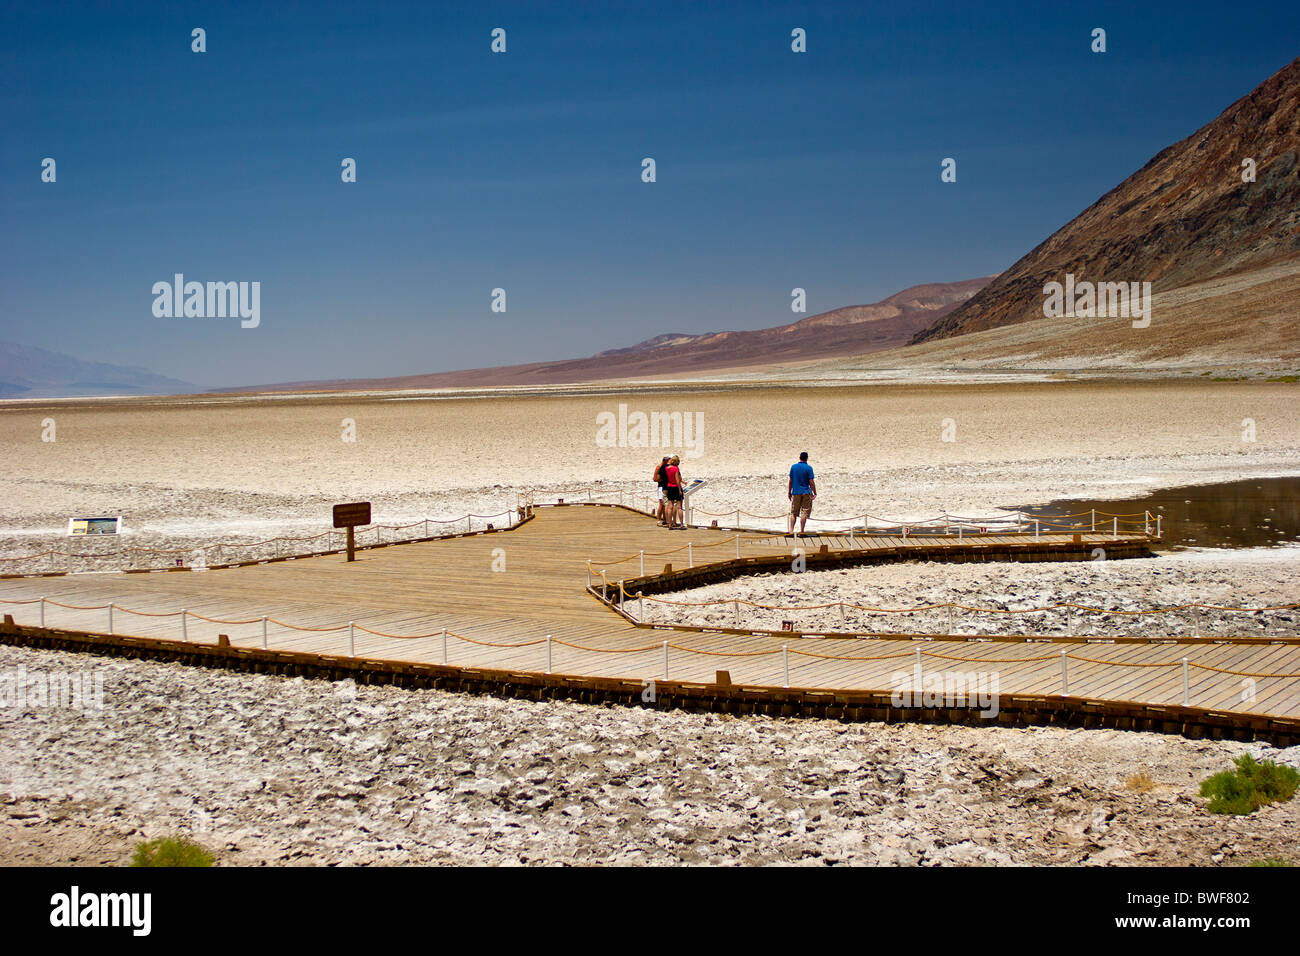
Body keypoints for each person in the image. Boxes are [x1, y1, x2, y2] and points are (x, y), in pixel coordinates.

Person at [787, 451, 816, 536]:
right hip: (806, 492)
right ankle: (802, 531)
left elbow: (791, 481)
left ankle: (791, 530)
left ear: (799, 457)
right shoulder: (809, 468)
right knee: (804, 512)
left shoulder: (794, 467)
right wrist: (815, 492)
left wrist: (789, 492)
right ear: (807, 458)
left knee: (793, 512)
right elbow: (811, 482)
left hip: (796, 492)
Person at [664, 455, 685, 529]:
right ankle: (682, 524)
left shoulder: (667, 468)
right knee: (679, 507)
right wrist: (679, 489)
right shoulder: (676, 468)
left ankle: (669, 524)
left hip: (669, 487)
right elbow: (677, 480)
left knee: (670, 506)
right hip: (676, 487)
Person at [653, 456, 670, 525]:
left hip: (665, 486)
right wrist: (664, 480)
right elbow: (655, 479)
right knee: (661, 504)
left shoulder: (666, 467)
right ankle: (659, 520)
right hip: (661, 486)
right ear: (665, 461)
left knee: (665, 504)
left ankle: (665, 519)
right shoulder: (659, 467)